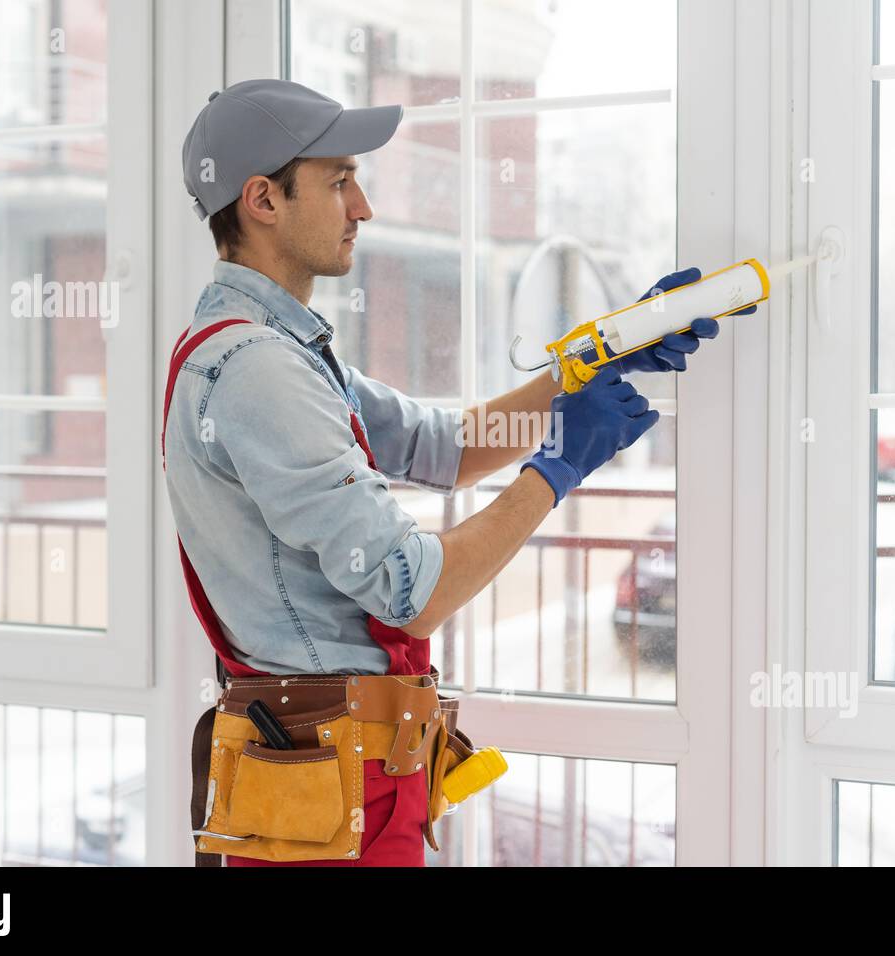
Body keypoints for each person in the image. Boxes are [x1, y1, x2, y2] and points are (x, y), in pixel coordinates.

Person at [166, 78, 721, 866]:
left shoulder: (272, 347)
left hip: (342, 773)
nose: (363, 206)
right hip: (327, 790)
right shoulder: (256, 368)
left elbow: (446, 447)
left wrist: (593, 359)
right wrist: (558, 468)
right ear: (263, 199)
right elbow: (414, 591)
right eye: (339, 180)